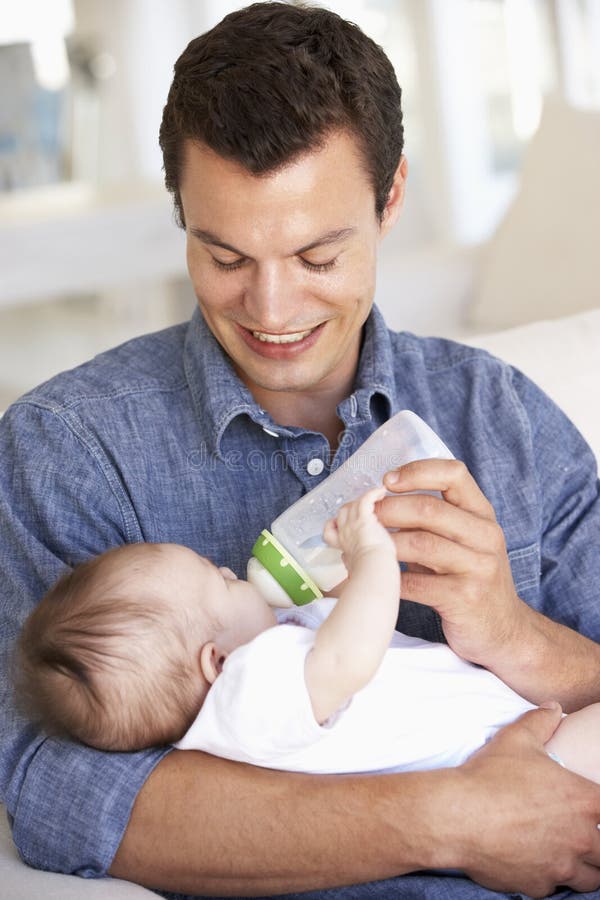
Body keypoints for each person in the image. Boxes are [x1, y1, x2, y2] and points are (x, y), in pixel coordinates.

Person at [1, 2, 600, 898]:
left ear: (390, 197)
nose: (271, 311)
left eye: (318, 256)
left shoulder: (504, 419)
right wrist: (449, 818)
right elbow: (57, 792)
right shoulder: (71, 449)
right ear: (182, 215)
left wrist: (513, 634)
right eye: (224, 255)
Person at [15, 488, 600, 788]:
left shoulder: (271, 673)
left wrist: (335, 581)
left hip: (514, 736)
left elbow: (335, 629)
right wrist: (371, 555)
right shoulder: (248, 701)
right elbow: (349, 656)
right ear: (215, 662)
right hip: (525, 763)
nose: (226, 568)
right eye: (215, 578)